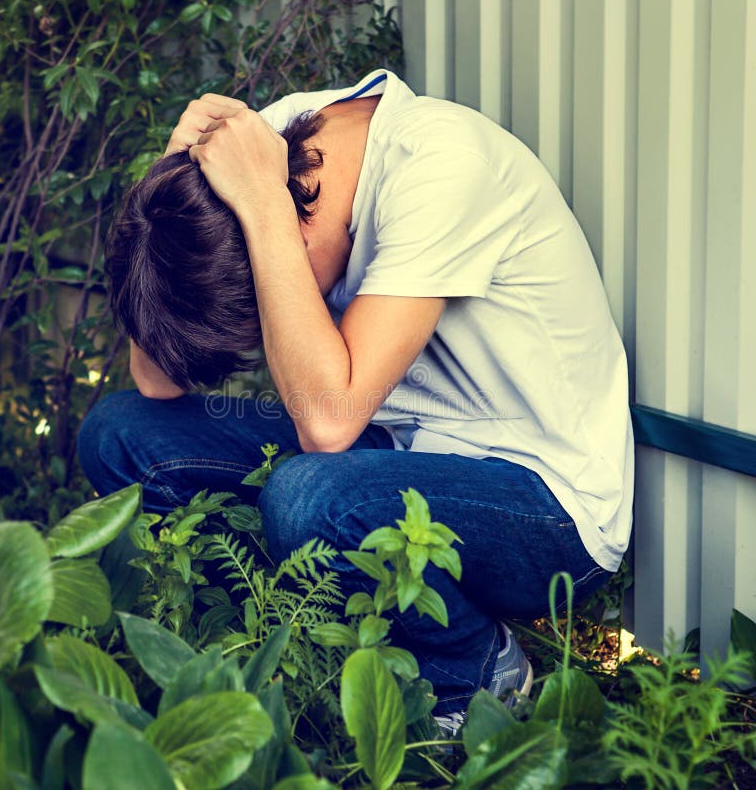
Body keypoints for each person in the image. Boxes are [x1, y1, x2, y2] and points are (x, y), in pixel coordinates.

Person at [79, 69, 634, 726]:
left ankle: (475, 670)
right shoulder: (271, 152)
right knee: (119, 432)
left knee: (310, 497)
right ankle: (274, 639)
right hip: (389, 452)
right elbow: (156, 379)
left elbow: (328, 426)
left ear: (294, 225)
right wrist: (172, 175)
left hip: (544, 504)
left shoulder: (440, 165)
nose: (279, 306)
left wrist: (264, 218)